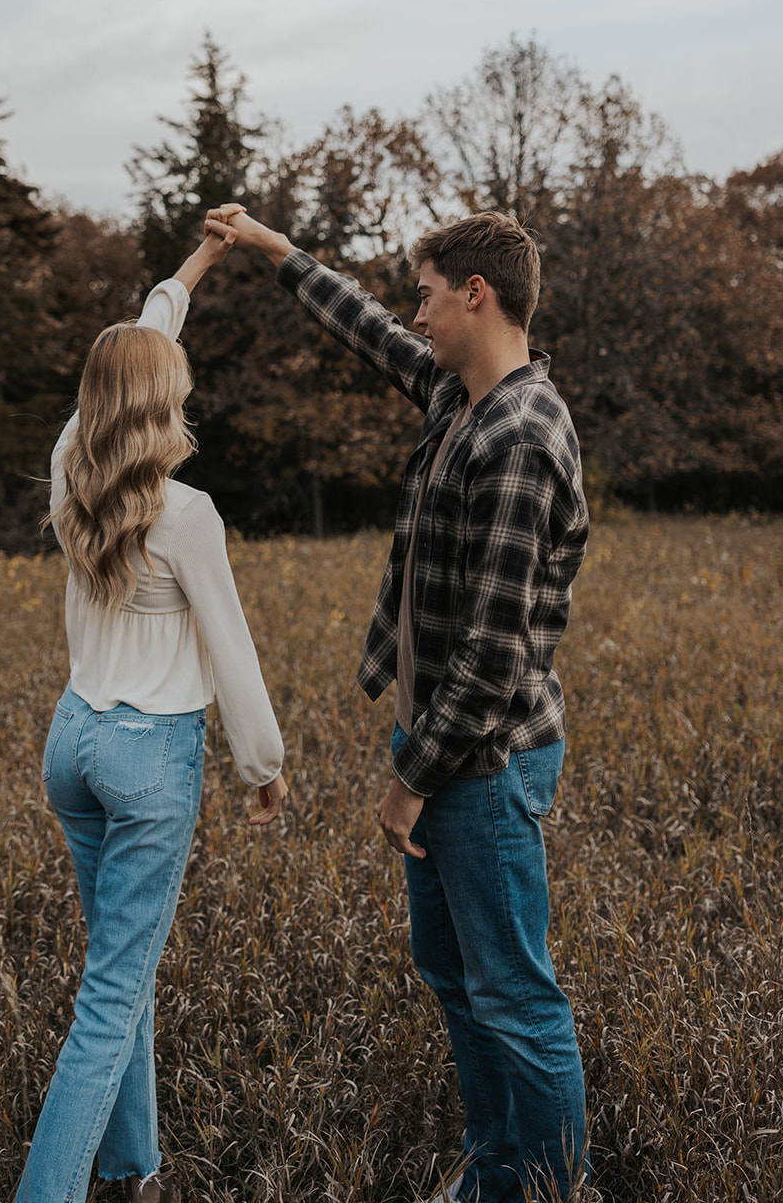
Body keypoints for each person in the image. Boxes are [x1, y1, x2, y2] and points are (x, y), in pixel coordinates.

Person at [206, 205, 588, 1203]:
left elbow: (495, 653)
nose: (412, 315)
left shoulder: (516, 435)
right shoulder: (459, 395)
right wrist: (270, 248)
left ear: (475, 294)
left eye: (425, 294)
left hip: (479, 759)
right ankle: (496, 1173)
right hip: (438, 741)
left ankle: (548, 1190)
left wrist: (410, 783)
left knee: (512, 993)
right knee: (458, 980)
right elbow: (365, 327)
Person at [16, 224, 289, 1203]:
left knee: (118, 975)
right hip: (144, 762)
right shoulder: (186, 512)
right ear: (159, 400)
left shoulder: (66, 465)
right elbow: (232, 646)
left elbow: (139, 333)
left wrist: (197, 267)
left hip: (73, 743)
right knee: (110, 995)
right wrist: (262, 764)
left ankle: (132, 1166)